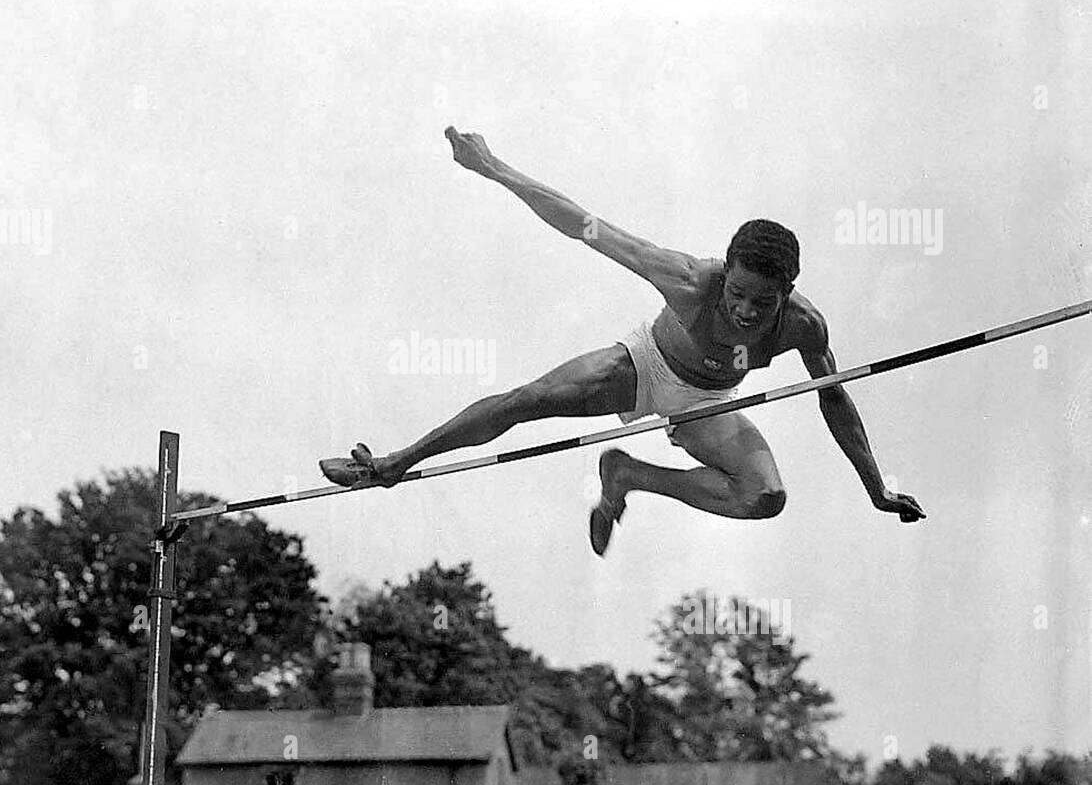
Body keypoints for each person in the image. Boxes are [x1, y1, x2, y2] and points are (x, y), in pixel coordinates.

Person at [320, 127, 926, 554]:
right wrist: (493, 167)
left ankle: (630, 474)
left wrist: (877, 489)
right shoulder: (689, 280)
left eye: (760, 303)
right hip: (647, 367)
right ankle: (396, 464)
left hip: (711, 402)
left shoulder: (804, 325)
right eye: (736, 293)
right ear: (726, 272)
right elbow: (585, 225)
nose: (743, 310)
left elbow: (836, 401)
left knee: (765, 497)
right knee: (526, 402)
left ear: (787, 293)